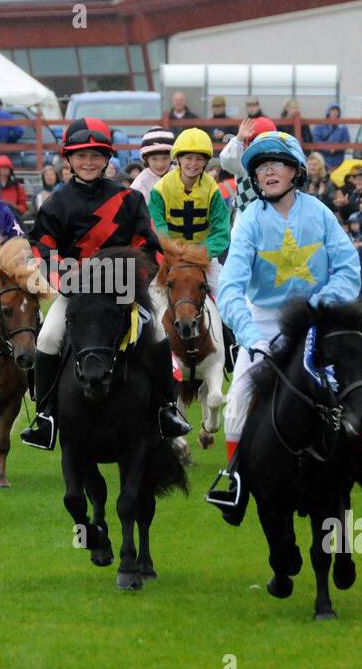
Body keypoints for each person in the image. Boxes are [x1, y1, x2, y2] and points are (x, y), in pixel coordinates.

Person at [208, 131, 362, 522]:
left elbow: (348, 268)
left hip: (317, 318)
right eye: (261, 167)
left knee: (346, 391)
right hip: (263, 321)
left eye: (276, 164)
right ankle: (235, 482)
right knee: (236, 406)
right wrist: (251, 337)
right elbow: (230, 287)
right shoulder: (247, 221)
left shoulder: (320, 213)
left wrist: (319, 307)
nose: (268, 172)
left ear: (296, 171)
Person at [19, 117, 193, 450]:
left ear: (106, 159)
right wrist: (67, 282)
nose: (88, 162)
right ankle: (45, 417)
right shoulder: (55, 204)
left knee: (157, 332)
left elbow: (148, 246)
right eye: (81, 156)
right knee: (48, 336)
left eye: (95, 155)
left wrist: (132, 282)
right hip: (76, 294)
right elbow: (43, 248)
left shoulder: (129, 200)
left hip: (122, 292)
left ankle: (166, 410)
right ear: (68, 160)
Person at [147, 127, 230, 294]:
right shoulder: (161, 189)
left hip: (204, 256)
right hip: (168, 256)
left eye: (199, 159)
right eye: (188, 158)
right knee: (150, 298)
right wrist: (173, 249)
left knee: (227, 294)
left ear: (206, 162)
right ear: (178, 158)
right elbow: (156, 225)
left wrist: (202, 252)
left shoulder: (212, 189)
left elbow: (221, 230)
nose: (193, 164)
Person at [131, 127, 175, 203]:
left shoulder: (181, 175)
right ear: (146, 159)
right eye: (154, 159)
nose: (160, 164)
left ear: (172, 158)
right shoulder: (139, 186)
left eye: (165, 158)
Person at [311, 104, 350, 170]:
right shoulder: (320, 126)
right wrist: (328, 148)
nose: (335, 113)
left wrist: (336, 148)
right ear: (328, 112)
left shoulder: (343, 127)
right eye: (333, 110)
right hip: (322, 159)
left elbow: (346, 141)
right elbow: (316, 140)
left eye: (337, 111)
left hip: (338, 160)